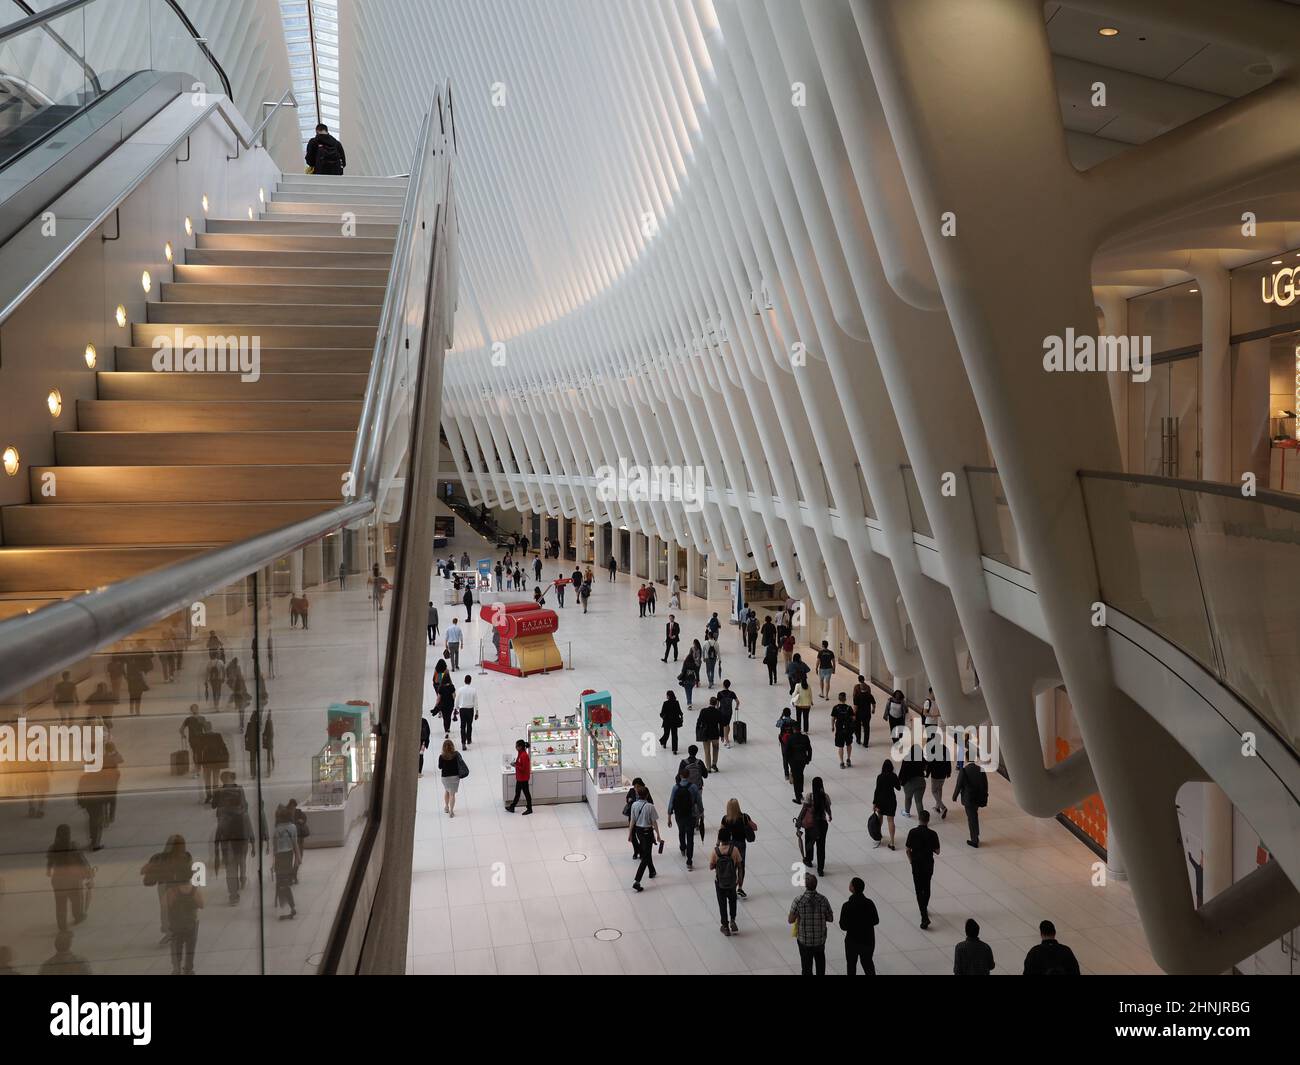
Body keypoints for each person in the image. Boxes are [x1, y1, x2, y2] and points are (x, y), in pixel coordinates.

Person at [213, 769, 254, 904]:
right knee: (240, 859)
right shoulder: (239, 791)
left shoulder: (220, 794)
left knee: (231, 866)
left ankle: (233, 894)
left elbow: (214, 806)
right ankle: (240, 881)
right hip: (239, 833)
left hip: (227, 835)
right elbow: (245, 806)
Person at [46, 824, 92, 931]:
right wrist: (88, 873)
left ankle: (62, 925)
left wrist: (49, 871)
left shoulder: (52, 848)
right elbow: (82, 861)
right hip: (72, 880)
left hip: (58, 881)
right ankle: (78, 916)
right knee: (76, 899)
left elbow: (49, 864)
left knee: (60, 903)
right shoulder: (73, 846)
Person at [787, 872, 834, 975]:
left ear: (805, 885)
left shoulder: (798, 900)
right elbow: (830, 918)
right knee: (820, 965)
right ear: (816, 885)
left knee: (806, 967)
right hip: (820, 939)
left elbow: (790, 920)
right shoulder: (823, 899)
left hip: (804, 940)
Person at [905, 809, 941, 929]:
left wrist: (911, 861)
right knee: (927, 887)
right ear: (928, 820)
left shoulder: (912, 832)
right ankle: (924, 909)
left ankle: (924, 916)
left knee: (918, 889)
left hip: (916, 864)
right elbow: (937, 851)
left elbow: (907, 850)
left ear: (919, 819)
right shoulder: (933, 834)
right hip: (928, 864)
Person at [839, 877, 880, 975]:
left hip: (852, 941)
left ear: (852, 888)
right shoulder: (869, 903)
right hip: (868, 940)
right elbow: (876, 920)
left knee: (851, 966)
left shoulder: (847, 905)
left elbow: (843, 926)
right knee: (868, 964)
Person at [710, 826, 743, 936]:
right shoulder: (734, 850)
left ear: (720, 839)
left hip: (720, 882)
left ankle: (725, 926)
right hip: (732, 881)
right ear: (730, 838)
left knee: (722, 903)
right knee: (732, 901)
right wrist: (739, 879)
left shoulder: (716, 852)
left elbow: (711, 866)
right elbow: (739, 865)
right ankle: (733, 919)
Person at [628, 785, 661, 892]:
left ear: (638, 794)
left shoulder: (634, 805)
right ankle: (637, 881)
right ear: (647, 795)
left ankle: (652, 871)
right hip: (647, 832)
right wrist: (658, 835)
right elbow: (654, 822)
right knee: (646, 856)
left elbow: (632, 820)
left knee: (646, 852)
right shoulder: (650, 806)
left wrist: (630, 833)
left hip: (638, 831)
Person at [666, 769, 700, 868]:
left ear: (680, 776)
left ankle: (682, 847)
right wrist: (701, 812)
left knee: (681, 831)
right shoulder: (693, 787)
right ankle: (689, 860)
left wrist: (669, 817)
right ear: (688, 775)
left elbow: (671, 802)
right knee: (690, 837)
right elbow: (698, 801)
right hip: (691, 815)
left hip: (679, 815)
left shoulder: (675, 787)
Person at [799, 776, 832, 875]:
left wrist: (799, 820)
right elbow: (828, 809)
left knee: (809, 841)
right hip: (822, 824)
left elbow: (804, 809)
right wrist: (830, 816)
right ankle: (820, 869)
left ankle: (809, 859)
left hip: (811, 824)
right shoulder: (825, 796)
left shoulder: (810, 796)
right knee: (821, 846)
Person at [952, 758, 988, 848]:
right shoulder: (981, 769)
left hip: (968, 798)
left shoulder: (964, 770)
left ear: (967, 759)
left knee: (971, 818)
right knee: (974, 816)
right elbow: (985, 784)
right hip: (978, 797)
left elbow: (959, 784)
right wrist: (984, 795)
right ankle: (976, 835)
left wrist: (954, 796)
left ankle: (974, 840)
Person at [272, 806, 300, 919]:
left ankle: (287, 906)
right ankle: (286, 906)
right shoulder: (293, 827)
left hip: (279, 857)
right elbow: (295, 843)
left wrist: (273, 863)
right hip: (288, 856)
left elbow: (275, 848)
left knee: (281, 882)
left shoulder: (276, 829)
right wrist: (298, 858)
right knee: (285, 882)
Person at [872, 759, 900, 850]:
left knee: (880, 819)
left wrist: (874, 803)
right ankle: (892, 842)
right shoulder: (894, 776)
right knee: (891, 821)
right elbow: (898, 788)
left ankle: (879, 837)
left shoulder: (880, 777)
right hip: (891, 800)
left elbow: (877, 791)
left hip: (881, 801)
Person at [786, 722, 812, 805]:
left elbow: (787, 751)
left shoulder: (791, 738)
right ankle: (800, 792)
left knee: (796, 777)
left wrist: (787, 760)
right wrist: (808, 759)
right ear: (800, 729)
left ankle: (798, 796)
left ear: (793, 729)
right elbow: (809, 749)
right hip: (803, 760)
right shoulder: (805, 737)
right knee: (800, 774)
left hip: (793, 761)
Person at [179, 705, 208, 779]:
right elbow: (207, 729)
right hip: (200, 739)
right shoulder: (202, 718)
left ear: (191, 711)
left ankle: (197, 769)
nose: (194, 710)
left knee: (195, 753)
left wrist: (183, 735)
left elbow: (181, 729)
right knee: (198, 754)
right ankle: (198, 769)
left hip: (193, 739)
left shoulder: (188, 719)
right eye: (194, 709)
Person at [438, 739, 466, 816]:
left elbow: (440, 767)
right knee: (452, 794)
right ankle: (451, 811)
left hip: (445, 778)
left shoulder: (441, 756)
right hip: (455, 777)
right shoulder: (456, 755)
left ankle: (446, 807)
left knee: (447, 791)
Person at [899, 743, 927, 818]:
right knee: (919, 801)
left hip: (909, 783)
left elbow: (902, 772)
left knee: (908, 798)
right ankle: (922, 819)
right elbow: (926, 768)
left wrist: (900, 781)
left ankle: (907, 812)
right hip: (921, 782)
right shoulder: (922, 759)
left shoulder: (907, 759)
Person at [926, 736, 951, 819]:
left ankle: (943, 807)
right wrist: (948, 772)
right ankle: (937, 807)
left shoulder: (932, 749)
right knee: (939, 789)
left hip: (935, 774)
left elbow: (930, 763)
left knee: (933, 791)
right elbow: (948, 761)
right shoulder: (945, 748)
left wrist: (927, 773)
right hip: (943, 773)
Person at [506, 739, 533, 814]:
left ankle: (529, 808)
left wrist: (515, 765)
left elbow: (523, 768)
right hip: (520, 777)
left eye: (516, 746)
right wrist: (515, 763)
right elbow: (520, 764)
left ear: (520, 747)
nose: (515, 747)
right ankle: (512, 807)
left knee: (526, 793)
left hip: (523, 778)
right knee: (518, 793)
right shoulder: (520, 753)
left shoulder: (524, 755)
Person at [696, 696, 722, 771]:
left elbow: (699, 721)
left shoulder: (703, 711)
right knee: (716, 749)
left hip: (706, 734)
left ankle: (708, 768)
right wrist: (722, 735)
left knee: (707, 751)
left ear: (709, 702)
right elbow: (721, 724)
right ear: (716, 703)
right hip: (715, 734)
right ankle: (714, 764)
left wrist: (698, 730)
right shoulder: (718, 712)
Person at [831, 692, 855, 767]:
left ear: (839, 699)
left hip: (839, 729)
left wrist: (832, 727)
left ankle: (842, 762)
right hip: (848, 729)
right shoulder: (849, 708)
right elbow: (854, 718)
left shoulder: (835, 708)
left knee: (840, 746)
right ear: (845, 699)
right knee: (849, 744)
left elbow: (833, 719)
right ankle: (848, 759)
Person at [455, 675, 478, 748]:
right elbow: (476, 702)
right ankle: (469, 739)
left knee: (462, 726)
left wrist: (456, 708)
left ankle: (463, 743)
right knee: (469, 725)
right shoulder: (473, 690)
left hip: (462, 710)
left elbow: (456, 700)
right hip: (470, 710)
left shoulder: (460, 689)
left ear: (464, 681)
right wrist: (477, 712)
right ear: (470, 681)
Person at [852, 676, 875, 748]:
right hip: (867, 714)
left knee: (857, 727)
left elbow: (855, 707)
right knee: (866, 728)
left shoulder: (857, 696)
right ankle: (866, 743)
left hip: (859, 714)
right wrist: (873, 709)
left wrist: (853, 714)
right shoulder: (869, 695)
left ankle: (858, 739)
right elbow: (873, 703)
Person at [659, 690, 683, 754]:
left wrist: (663, 717)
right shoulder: (676, 702)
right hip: (675, 722)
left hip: (667, 721)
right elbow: (679, 711)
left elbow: (662, 713)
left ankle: (663, 742)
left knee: (666, 733)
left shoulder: (665, 703)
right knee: (674, 735)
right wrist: (681, 716)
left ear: (668, 696)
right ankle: (674, 749)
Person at [776, 706, 796, 780]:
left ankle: (786, 775)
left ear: (784, 714)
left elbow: (777, 725)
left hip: (784, 742)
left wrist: (781, 716)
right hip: (792, 741)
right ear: (790, 713)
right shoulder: (793, 721)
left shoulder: (782, 721)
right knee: (792, 756)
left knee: (785, 758)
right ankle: (792, 772)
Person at [716, 679, 738, 747]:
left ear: (723, 685)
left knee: (725, 725)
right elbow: (737, 702)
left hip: (722, 712)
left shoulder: (719, 693)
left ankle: (727, 740)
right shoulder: (732, 693)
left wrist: (717, 710)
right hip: (729, 711)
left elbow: (717, 704)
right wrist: (736, 707)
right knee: (727, 724)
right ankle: (726, 737)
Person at [434, 672, 456, 738]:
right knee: (448, 717)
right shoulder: (452, 687)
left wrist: (436, 705)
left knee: (444, 718)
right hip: (450, 705)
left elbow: (438, 698)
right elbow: (454, 696)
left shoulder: (441, 687)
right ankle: (448, 728)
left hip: (443, 705)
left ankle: (446, 730)